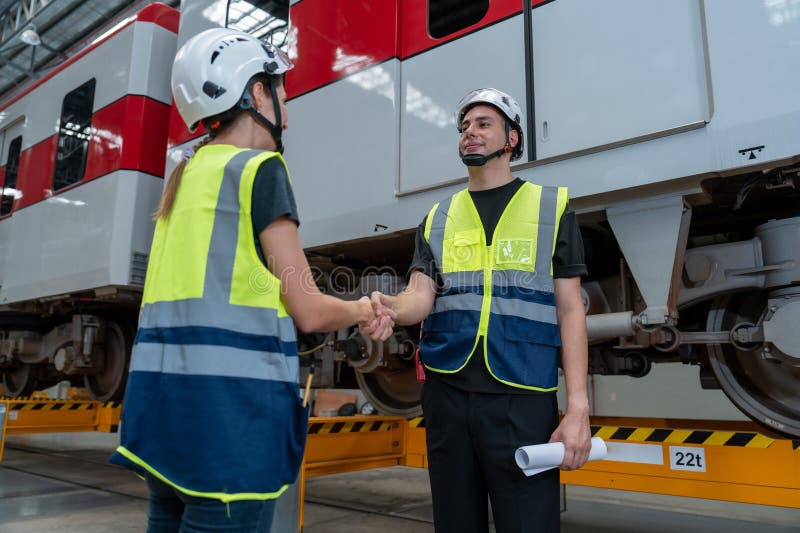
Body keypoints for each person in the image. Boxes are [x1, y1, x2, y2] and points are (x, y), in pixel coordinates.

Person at [110, 28, 382, 532]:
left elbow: (230, 286)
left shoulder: (185, 177)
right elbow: (310, 311)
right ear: (256, 91)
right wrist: (368, 309)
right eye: (280, 87)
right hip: (226, 423)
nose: (287, 103)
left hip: (160, 415)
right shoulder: (260, 170)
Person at [363, 88, 592, 533]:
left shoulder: (551, 208)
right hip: (448, 395)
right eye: (465, 126)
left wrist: (577, 407)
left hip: (522, 395)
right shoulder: (438, 218)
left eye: (484, 124)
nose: (470, 132)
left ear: (512, 138)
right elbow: (420, 298)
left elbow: (570, 311)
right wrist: (392, 306)